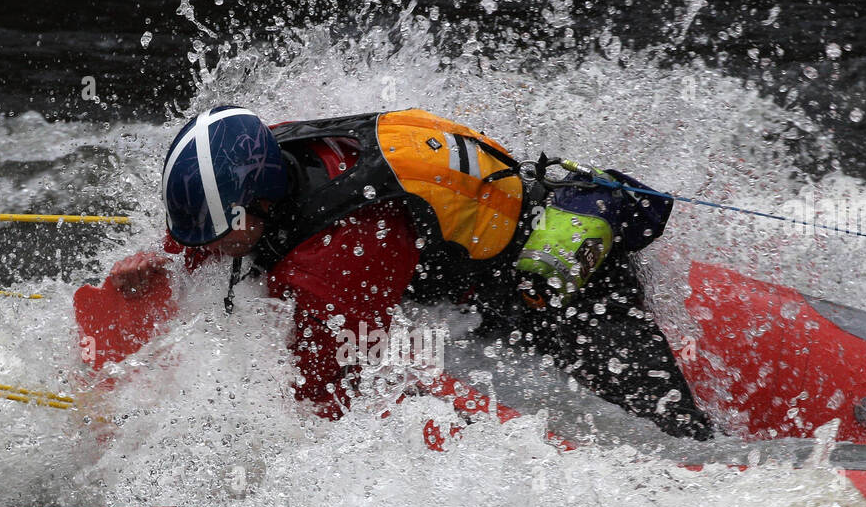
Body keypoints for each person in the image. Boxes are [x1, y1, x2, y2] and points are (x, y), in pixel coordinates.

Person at [106, 105, 712, 440]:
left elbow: (326, 400)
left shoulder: (340, 254)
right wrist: (167, 256)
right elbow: (219, 214)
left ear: (261, 201)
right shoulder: (276, 149)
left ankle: (711, 461)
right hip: (485, 236)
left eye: (215, 236)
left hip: (557, 291)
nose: (209, 249)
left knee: (673, 430)